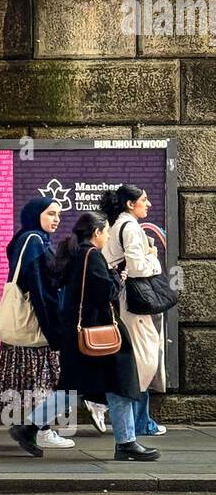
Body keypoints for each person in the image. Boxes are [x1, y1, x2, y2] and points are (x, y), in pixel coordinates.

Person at [14, 212, 160, 462]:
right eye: (105, 233)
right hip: (99, 335)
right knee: (121, 383)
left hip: (79, 334)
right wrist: (118, 277)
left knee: (75, 385)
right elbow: (105, 293)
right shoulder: (92, 256)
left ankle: (29, 427)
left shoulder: (77, 255)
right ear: (96, 233)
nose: (107, 237)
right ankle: (126, 443)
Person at [0, 198, 75, 448]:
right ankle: (39, 430)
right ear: (35, 215)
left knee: (19, 376)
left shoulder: (29, 239)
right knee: (48, 379)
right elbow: (40, 289)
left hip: (25, 326)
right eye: (51, 213)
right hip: (35, 325)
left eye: (58, 214)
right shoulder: (34, 242)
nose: (56, 219)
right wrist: (54, 328)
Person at [100, 185, 167, 438]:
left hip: (125, 300)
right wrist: (154, 257)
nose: (148, 204)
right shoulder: (130, 228)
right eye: (144, 200)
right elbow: (138, 267)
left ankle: (140, 421)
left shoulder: (120, 226)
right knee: (142, 362)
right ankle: (138, 424)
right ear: (130, 204)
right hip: (131, 302)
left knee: (139, 360)